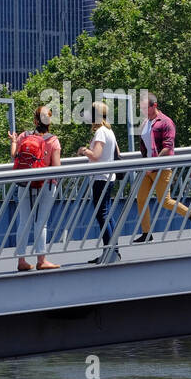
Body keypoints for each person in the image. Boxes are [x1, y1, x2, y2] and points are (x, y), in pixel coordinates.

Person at [132, 92, 191, 242]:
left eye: (146, 108)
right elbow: (143, 146)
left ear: (154, 106)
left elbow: (168, 147)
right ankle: (146, 233)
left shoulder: (166, 122)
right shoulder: (144, 123)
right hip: (148, 168)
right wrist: (145, 163)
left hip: (162, 167)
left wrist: (155, 162)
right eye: (141, 108)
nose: (143, 111)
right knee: (141, 198)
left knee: (164, 201)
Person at [10, 105, 63, 271]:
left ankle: (21, 260)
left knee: (24, 222)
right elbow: (57, 167)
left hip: (24, 183)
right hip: (45, 185)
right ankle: (41, 259)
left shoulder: (25, 136)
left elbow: (14, 155)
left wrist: (13, 141)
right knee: (42, 223)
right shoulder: (53, 141)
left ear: (35, 120)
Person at [77, 100, 120, 264]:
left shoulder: (101, 132)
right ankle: (113, 251)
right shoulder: (109, 131)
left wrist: (83, 150)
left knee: (102, 214)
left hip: (100, 178)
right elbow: (117, 152)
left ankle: (110, 252)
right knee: (107, 214)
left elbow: (95, 156)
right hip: (108, 177)